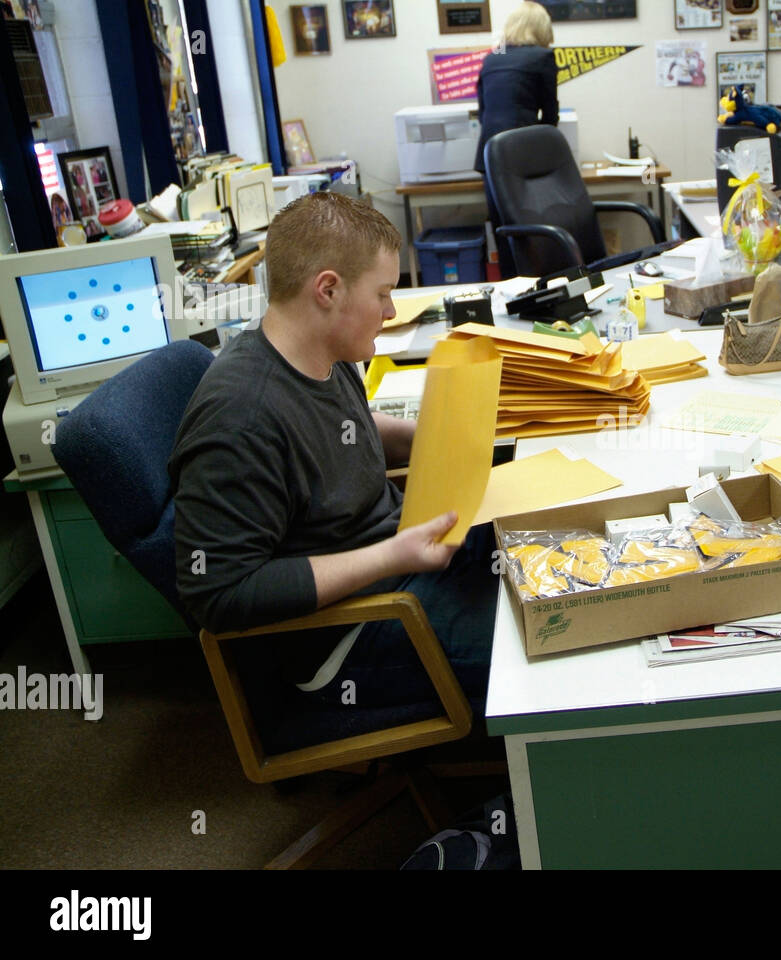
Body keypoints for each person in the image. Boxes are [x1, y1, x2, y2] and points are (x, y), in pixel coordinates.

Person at [169, 192, 496, 715]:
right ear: (328, 289)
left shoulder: (325, 350)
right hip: (347, 637)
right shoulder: (240, 419)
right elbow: (220, 594)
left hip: (398, 566)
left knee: (543, 562)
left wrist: (426, 435)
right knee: (540, 650)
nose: (390, 312)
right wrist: (393, 555)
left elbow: (349, 425)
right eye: (384, 294)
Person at [473, 1, 559, 174]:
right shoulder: (543, 56)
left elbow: (482, 113)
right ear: (542, 28)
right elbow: (550, 114)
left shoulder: (491, 59)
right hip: (523, 150)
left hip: (490, 151)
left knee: (499, 201)